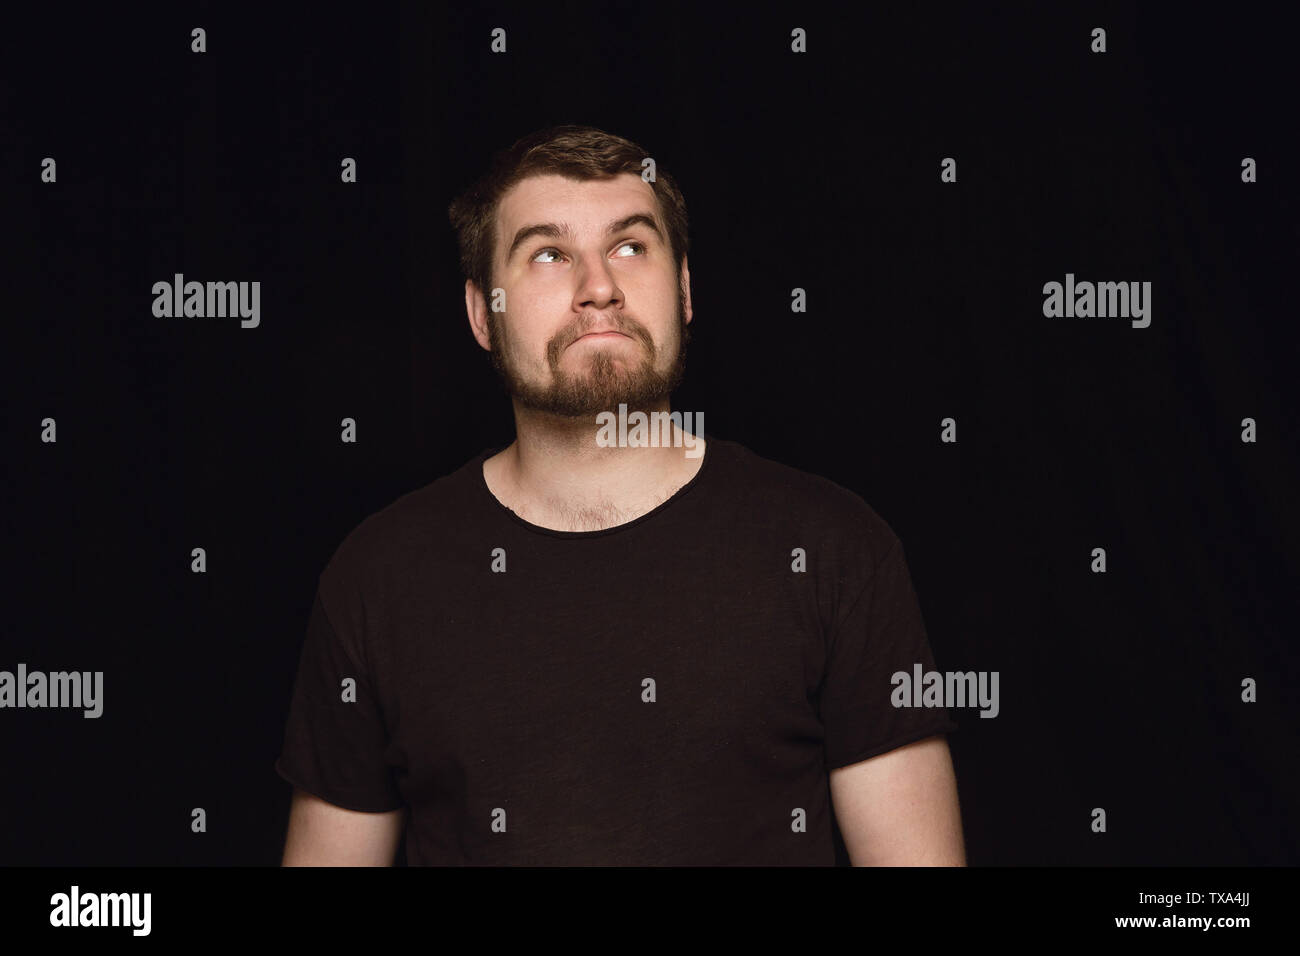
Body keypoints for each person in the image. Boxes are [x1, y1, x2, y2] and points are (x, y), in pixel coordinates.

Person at [275, 124, 965, 865]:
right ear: (483, 314)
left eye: (631, 246)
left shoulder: (833, 550)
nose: (598, 287)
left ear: (685, 289)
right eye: (548, 255)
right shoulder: (379, 577)